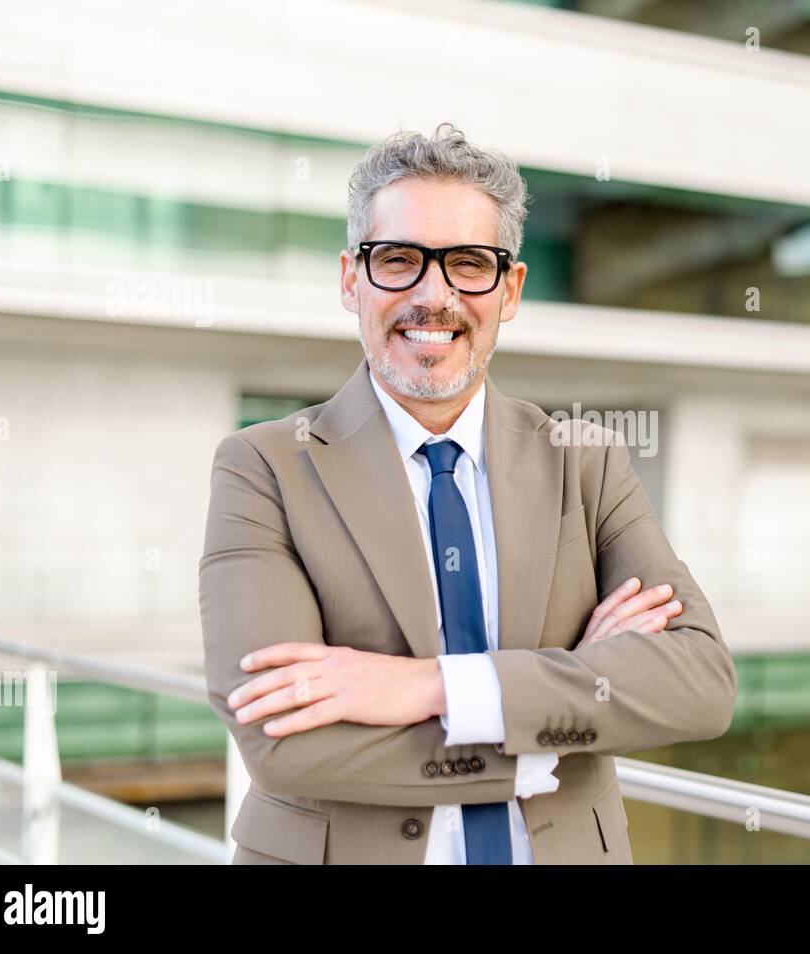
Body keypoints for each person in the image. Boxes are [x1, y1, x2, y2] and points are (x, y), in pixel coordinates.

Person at [199, 123, 737, 864]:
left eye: (468, 265)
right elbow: (281, 738)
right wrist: (542, 737)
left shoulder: (587, 465)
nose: (434, 295)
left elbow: (699, 683)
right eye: (398, 260)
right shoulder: (262, 468)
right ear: (352, 281)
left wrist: (428, 687)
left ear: (509, 289)